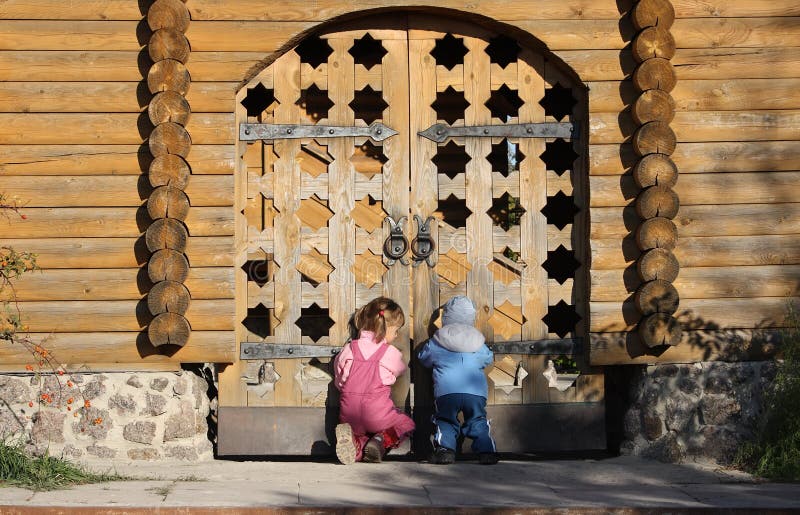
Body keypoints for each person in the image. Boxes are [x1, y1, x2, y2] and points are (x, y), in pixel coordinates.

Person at [333, 296, 415, 464]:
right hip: (377, 413)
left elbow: (339, 378)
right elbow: (400, 370)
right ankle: (380, 440)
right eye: (395, 330)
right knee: (406, 424)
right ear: (385, 329)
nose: (397, 334)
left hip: (349, 412)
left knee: (358, 435)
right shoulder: (388, 352)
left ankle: (355, 445)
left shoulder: (350, 348)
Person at [418, 295, 498, 465]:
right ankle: (486, 451)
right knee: (477, 419)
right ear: (471, 318)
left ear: (446, 318)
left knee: (445, 419)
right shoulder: (476, 339)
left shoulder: (438, 339)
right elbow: (488, 358)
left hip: (447, 391)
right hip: (475, 391)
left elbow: (424, 358)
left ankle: (445, 450)